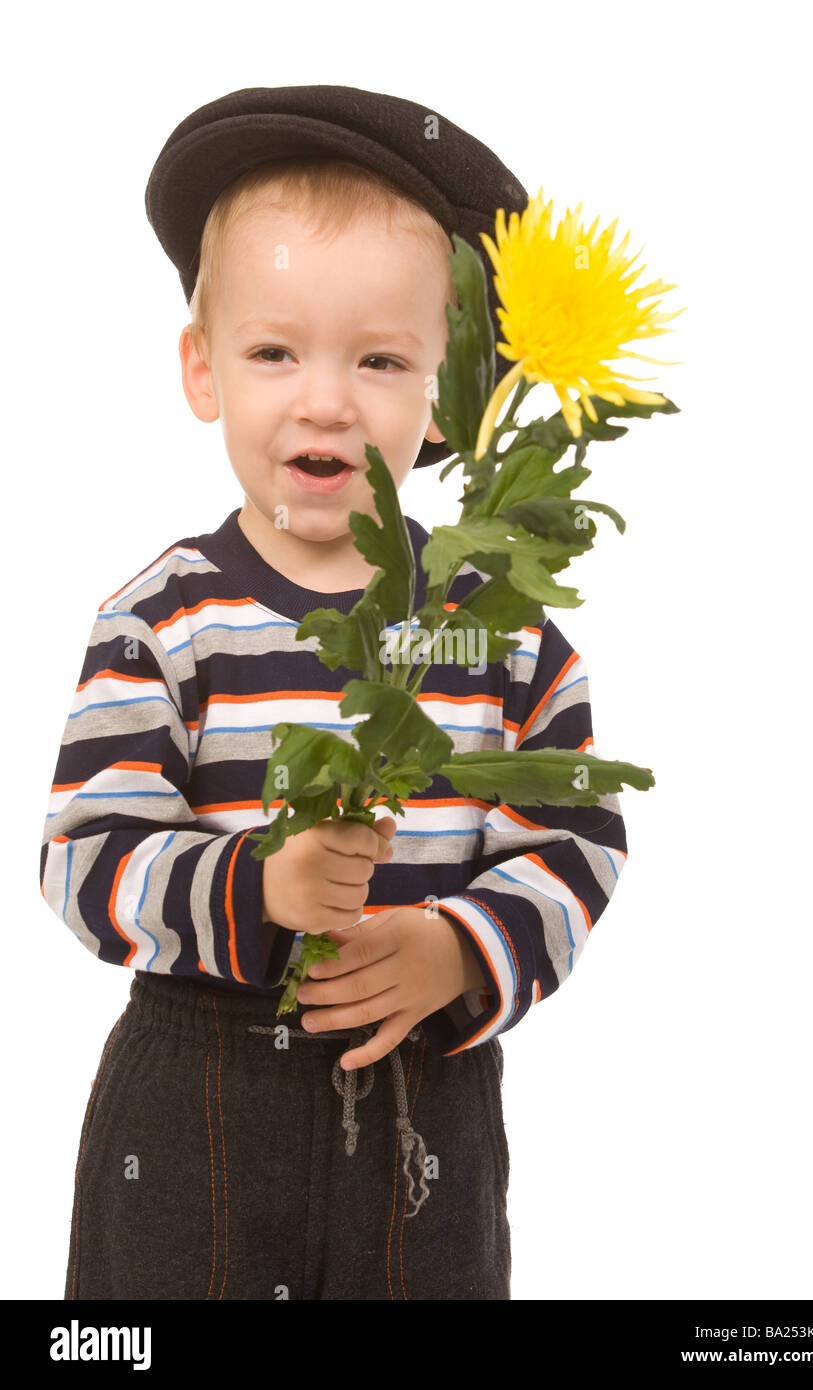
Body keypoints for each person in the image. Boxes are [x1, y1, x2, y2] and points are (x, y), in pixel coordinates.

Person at [39, 85, 628, 1301]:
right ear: (202, 369)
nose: (323, 399)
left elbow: (574, 837)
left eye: (379, 359)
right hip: (195, 1101)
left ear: (446, 400)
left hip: (424, 1102)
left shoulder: (497, 629)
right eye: (272, 351)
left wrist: (461, 950)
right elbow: (85, 858)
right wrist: (257, 887)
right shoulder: (162, 619)